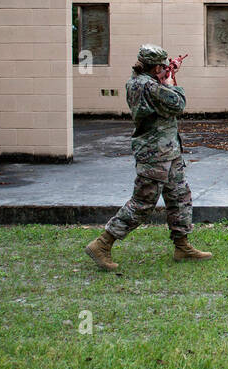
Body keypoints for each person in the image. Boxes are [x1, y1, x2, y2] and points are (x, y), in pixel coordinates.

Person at [85, 44, 212, 270]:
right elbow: (177, 103)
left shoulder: (143, 82)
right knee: (143, 203)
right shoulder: (147, 86)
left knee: (179, 197)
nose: (165, 68)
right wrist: (172, 83)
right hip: (155, 153)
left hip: (168, 151)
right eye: (162, 66)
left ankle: (182, 245)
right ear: (154, 68)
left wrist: (166, 77)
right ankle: (102, 244)